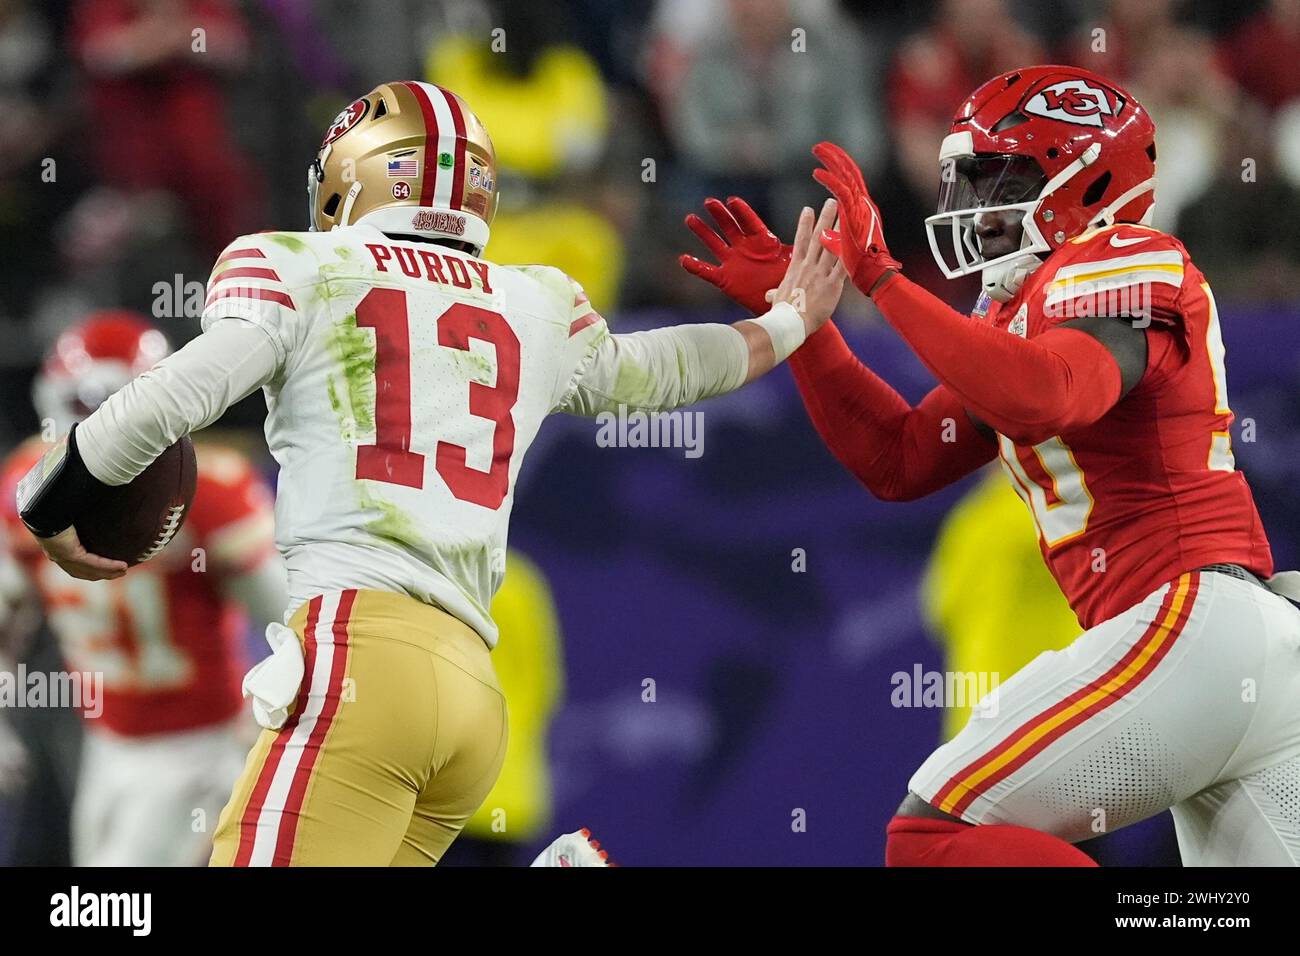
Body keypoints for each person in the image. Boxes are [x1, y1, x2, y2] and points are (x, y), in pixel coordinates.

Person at [16, 81, 846, 865]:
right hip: (470, 693)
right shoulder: (533, 302)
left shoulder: (302, 267)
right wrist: (787, 321)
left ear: (355, 179)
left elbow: (172, 397)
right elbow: (662, 367)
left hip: (358, 658)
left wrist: (54, 506)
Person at [683, 65, 1300, 866]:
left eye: (997, 176)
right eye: (967, 180)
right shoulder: (1023, 306)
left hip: (1193, 619)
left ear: (1089, 177)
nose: (975, 205)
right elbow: (899, 458)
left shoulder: (1124, 255)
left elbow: (1051, 395)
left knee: (934, 836)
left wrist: (883, 278)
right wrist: (802, 324)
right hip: (1241, 651)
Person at [0, 310, 285, 865]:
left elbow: (292, 627)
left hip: (197, 745)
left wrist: (254, 732)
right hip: (106, 740)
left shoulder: (212, 493)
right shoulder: (23, 490)